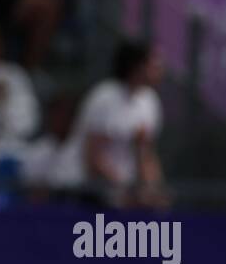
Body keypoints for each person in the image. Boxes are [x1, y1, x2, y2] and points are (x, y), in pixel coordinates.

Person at [54, 39, 165, 207]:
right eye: (153, 64)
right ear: (137, 67)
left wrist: (154, 189)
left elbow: (145, 153)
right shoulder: (104, 98)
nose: (160, 70)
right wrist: (126, 190)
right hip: (79, 188)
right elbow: (92, 159)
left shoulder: (149, 102)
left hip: (116, 191)